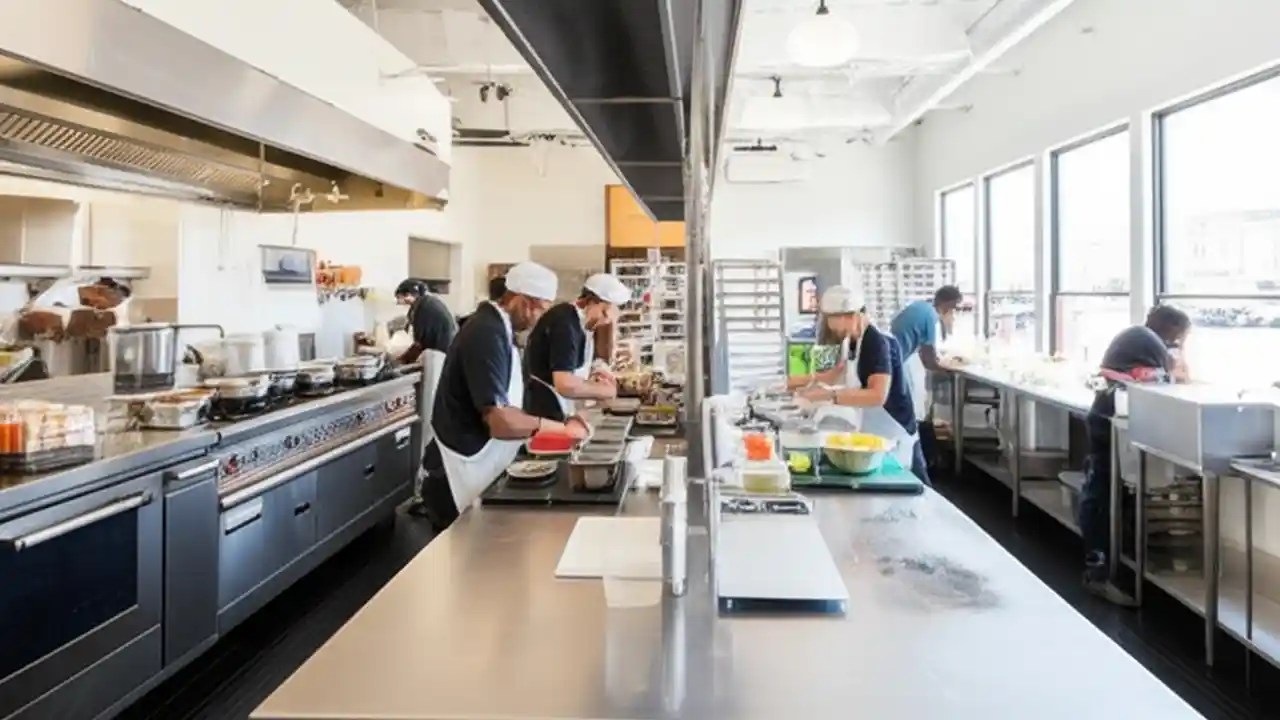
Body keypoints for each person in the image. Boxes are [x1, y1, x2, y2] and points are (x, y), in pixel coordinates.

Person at [417, 262, 591, 531]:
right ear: (522, 301)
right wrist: (562, 429)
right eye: (541, 310)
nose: (538, 320)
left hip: (479, 466)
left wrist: (564, 420)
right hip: (457, 470)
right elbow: (501, 421)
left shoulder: (500, 330)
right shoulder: (486, 332)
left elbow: (513, 401)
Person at [1080, 305, 1192, 604]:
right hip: (1111, 423)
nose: (1179, 343)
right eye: (1179, 337)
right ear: (1170, 329)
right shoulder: (1148, 341)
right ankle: (1098, 572)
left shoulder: (1138, 336)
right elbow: (1165, 384)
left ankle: (1107, 564)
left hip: (1109, 418)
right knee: (1101, 495)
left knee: (1104, 493)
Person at [787, 286, 928, 483]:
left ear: (852, 315)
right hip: (874, 435)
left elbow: (877, 395)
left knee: (917, 495)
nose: (837, 332)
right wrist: (792, 383)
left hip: (896, 437)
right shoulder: (853, 340)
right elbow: (834, 375)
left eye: (838, 326)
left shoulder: (877, 342)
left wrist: (829, 397)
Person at [524, 273, 632, 422]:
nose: (604, 321)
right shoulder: (564, 323)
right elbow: (565, 384)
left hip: (562, 406)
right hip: (545, 408)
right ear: (592, 301)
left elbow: (580, 363)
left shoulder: (579, 322)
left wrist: (598, 371)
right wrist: (604, 391)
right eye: (604, 313)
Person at [889, 285, 963, 468]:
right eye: (954, 308)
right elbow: (928, 359)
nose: (953, 314)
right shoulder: (930, 316)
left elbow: (926, 349)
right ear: (948, 304)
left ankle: (918, 464)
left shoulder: (920, 307)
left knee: (913, 416)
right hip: (904, 364)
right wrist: (947, 370)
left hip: (900, 359)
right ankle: (920, 467)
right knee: (914, 416)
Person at [394, 278, 457, 365]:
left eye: (399, 297)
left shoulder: (423, 308)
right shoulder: (429, 302)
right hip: (450, 351)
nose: (399, 302)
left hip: (441, 355)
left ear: (408, 295)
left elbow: (419, 345)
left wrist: (401, 361)